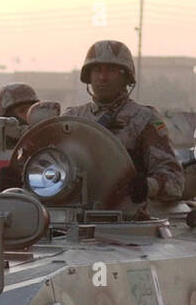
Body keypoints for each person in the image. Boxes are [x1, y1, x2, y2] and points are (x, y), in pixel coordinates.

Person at [63, 40, 184, 203]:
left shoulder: (144, 119)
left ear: (126, 76)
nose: (103, 77)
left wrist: (147, 186)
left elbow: (174, 181)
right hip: (73, 214)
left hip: (126, 216)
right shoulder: (72, 118)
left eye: (111, 70)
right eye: (97, 70)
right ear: (88, 76)